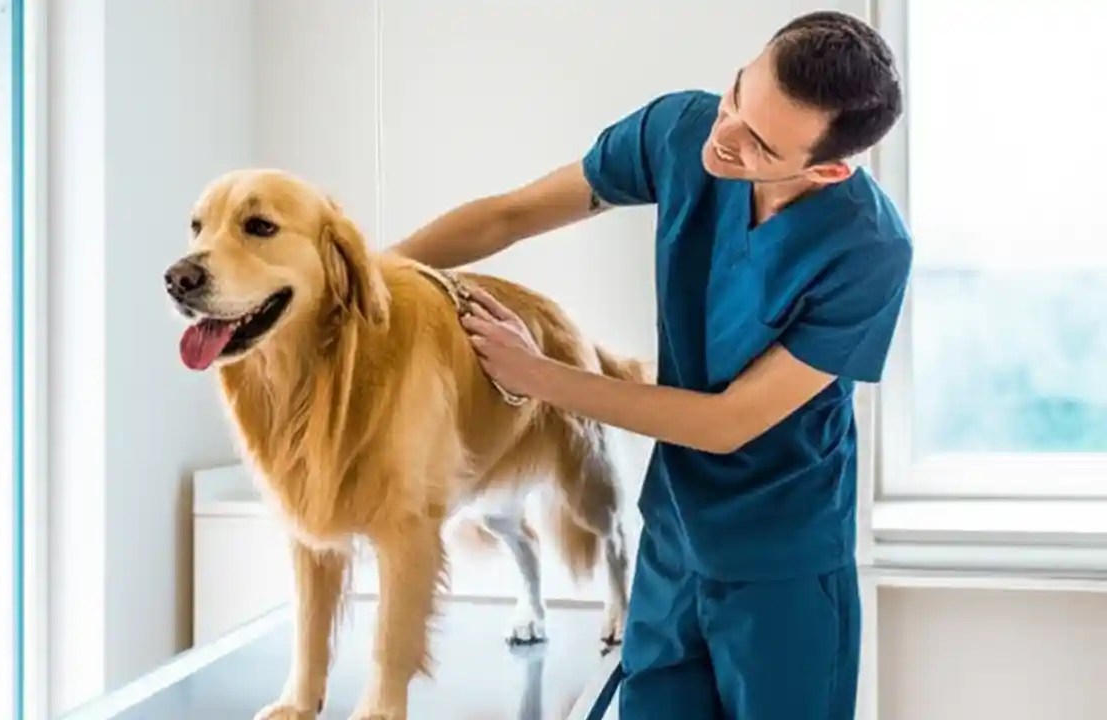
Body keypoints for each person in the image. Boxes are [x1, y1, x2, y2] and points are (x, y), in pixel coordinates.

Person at [390, 10, 910, 720]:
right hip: (673, 537)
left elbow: (728, 423)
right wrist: (365, 276)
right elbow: (509, 216)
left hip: (781, 563)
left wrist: (538, 375)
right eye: (736, 95)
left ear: (827, 169)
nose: (723, 138)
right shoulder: (679, 131)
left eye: (757, 143)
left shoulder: (867, 250)